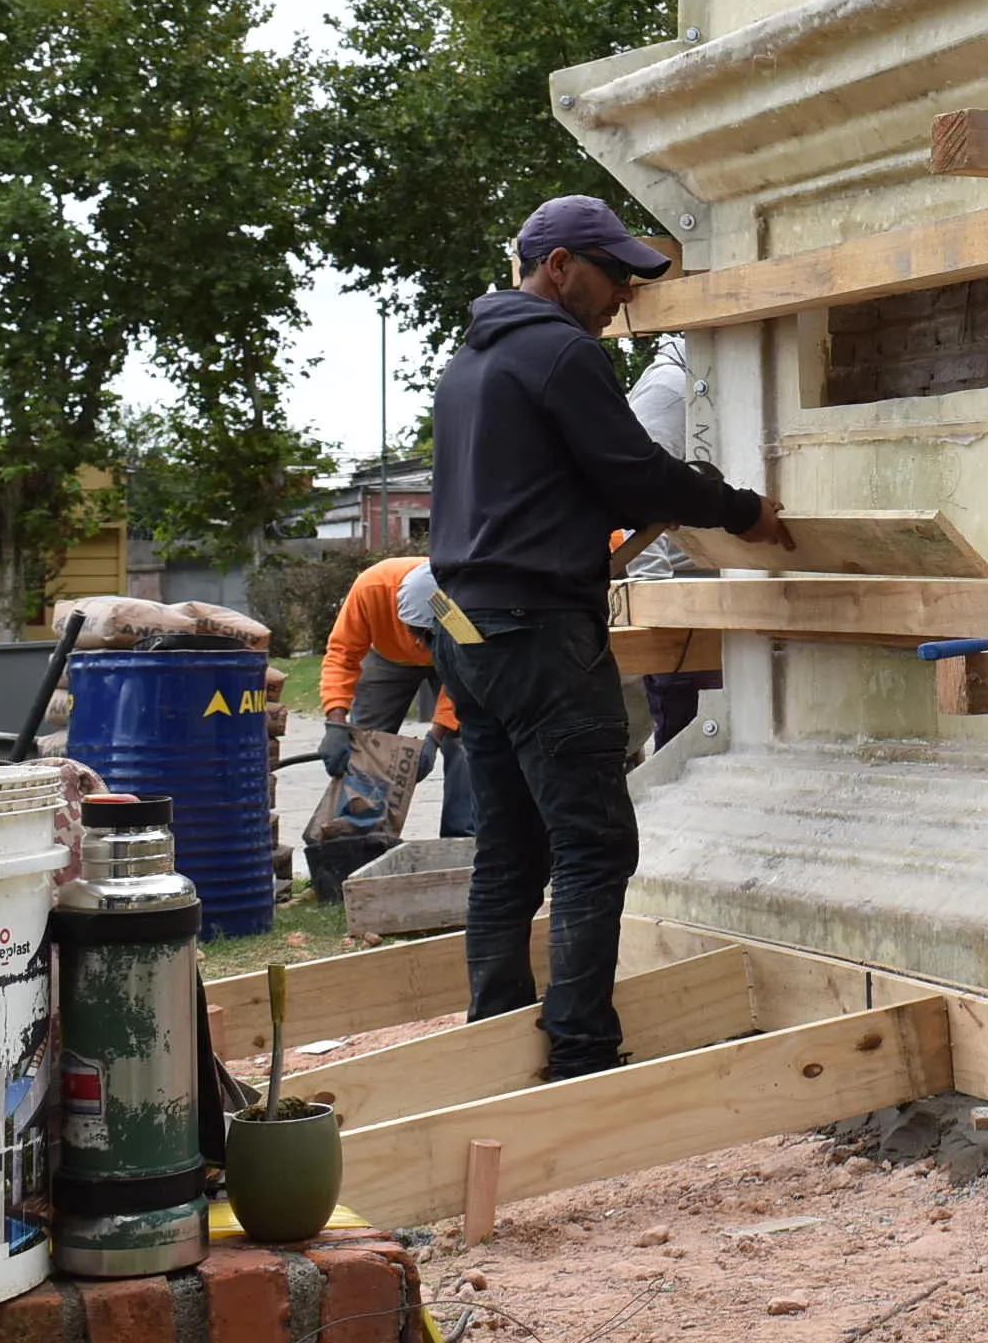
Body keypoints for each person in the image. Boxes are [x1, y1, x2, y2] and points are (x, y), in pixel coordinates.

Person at [428, 195, 791, 1079]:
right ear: (558, 266)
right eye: (613, 275)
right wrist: (740, 510)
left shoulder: (468, 361)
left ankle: (498, 1031)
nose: (622, 297)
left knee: (511, 845)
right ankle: (582, 1050)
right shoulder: (561, 352)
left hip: (462, 624)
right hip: (539, 630)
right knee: (594, 844)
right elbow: (633, 474)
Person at [315, 553, 473, 838]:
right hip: (386, 656)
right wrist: (336, 721)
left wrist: (434, 738)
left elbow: (464, 678)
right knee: (369, 742)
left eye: (422, 633)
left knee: (465, 738)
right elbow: (342, 655)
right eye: (411, 629)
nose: (415, 642)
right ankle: (360, 835)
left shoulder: (457, 601)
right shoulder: (371, 589)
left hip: (449, 655)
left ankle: (461, 837)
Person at [624, 335, 718, 750]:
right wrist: (660, 603)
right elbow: (638, 495)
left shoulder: (704, 382)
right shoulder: (668, 392)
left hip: (710, 590)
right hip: (684, 599)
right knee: (686, 746)